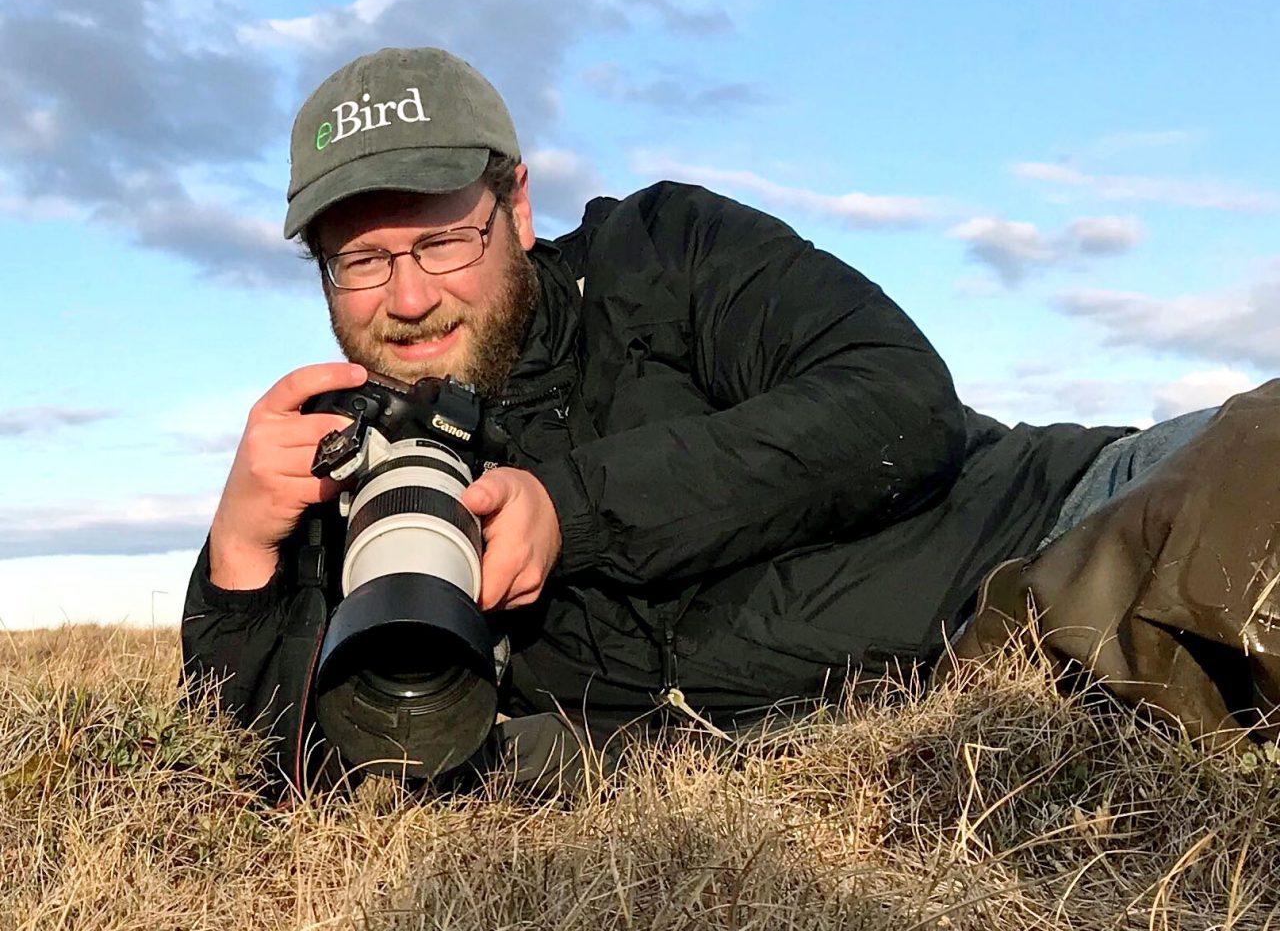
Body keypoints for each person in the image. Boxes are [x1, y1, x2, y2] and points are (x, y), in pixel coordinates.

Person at [180, 46, 1227, 798]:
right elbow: (300, 767)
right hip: (998, 694)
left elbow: (897, 402)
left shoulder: (663, 253)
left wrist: (571, 508)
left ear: (517, 206)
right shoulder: (357, 470)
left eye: (444, 241)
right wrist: (239, 566)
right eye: (359, 259)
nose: (407, 299)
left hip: (1074, 524)